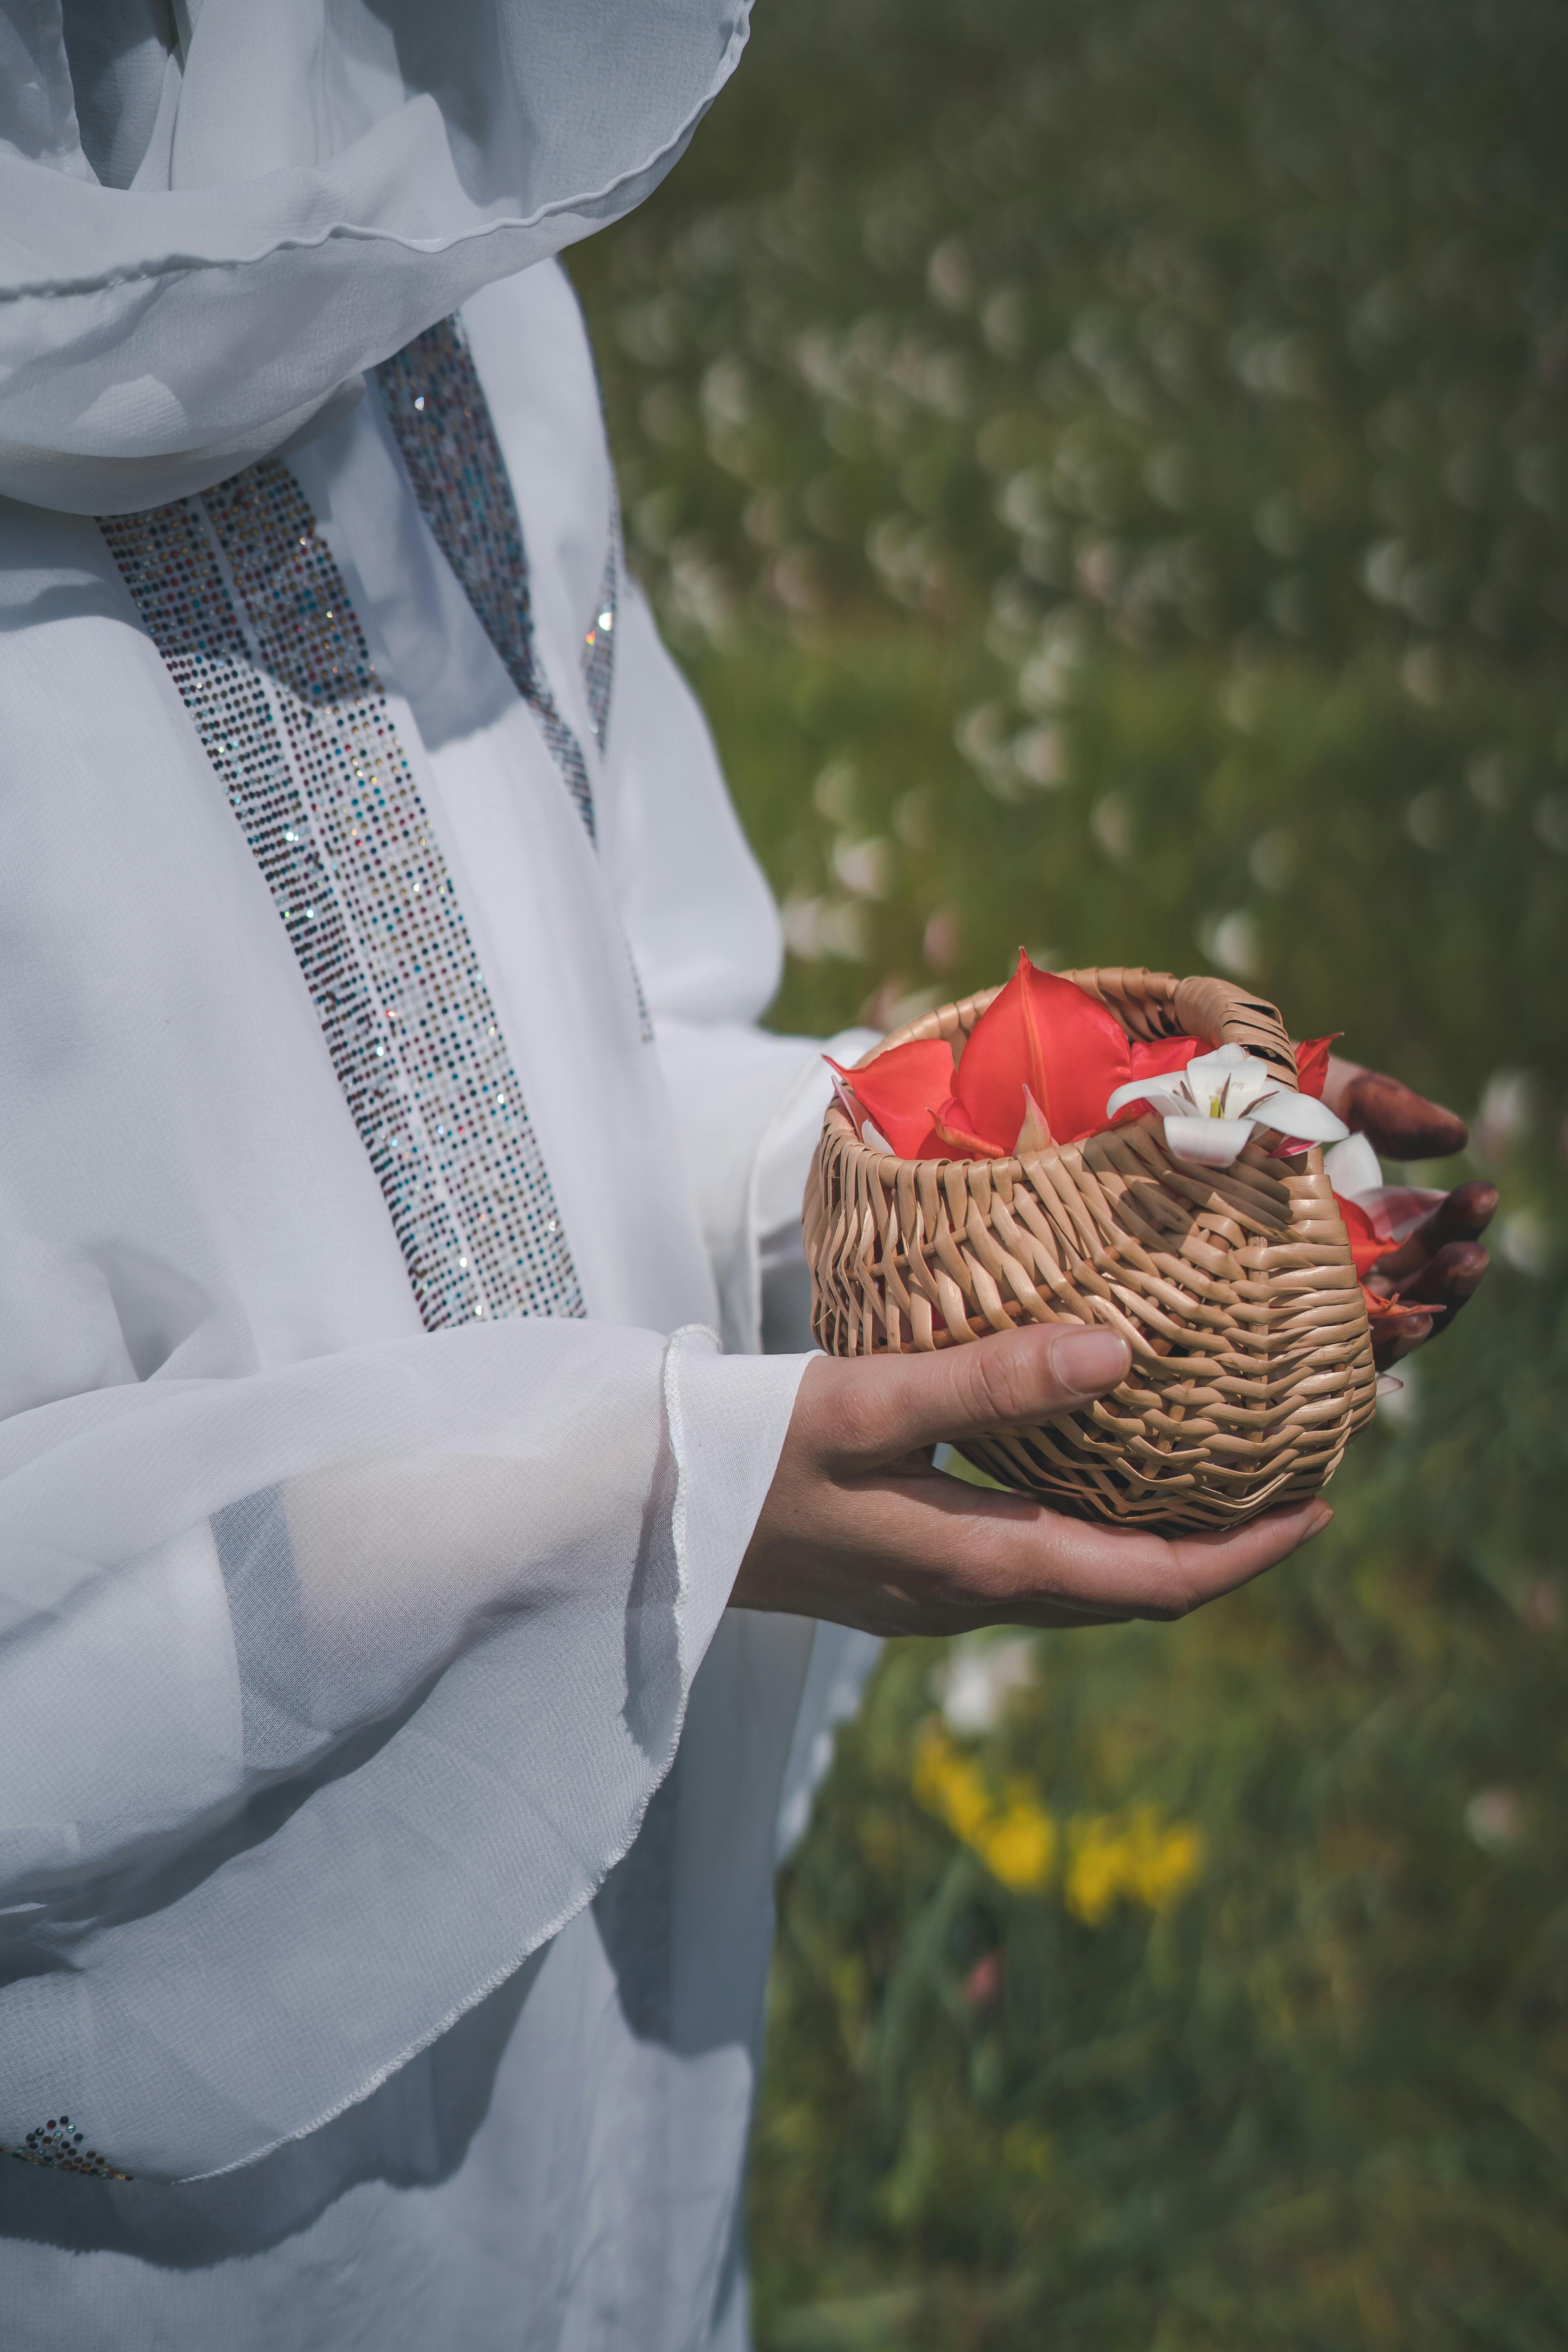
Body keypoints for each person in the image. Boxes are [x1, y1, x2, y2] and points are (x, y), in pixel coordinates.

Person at [0, 5, 1492, 2345]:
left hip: (596, 2051)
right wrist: (643, 1507)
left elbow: (563, 1063)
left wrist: (955, 1166)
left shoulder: (437, 279)